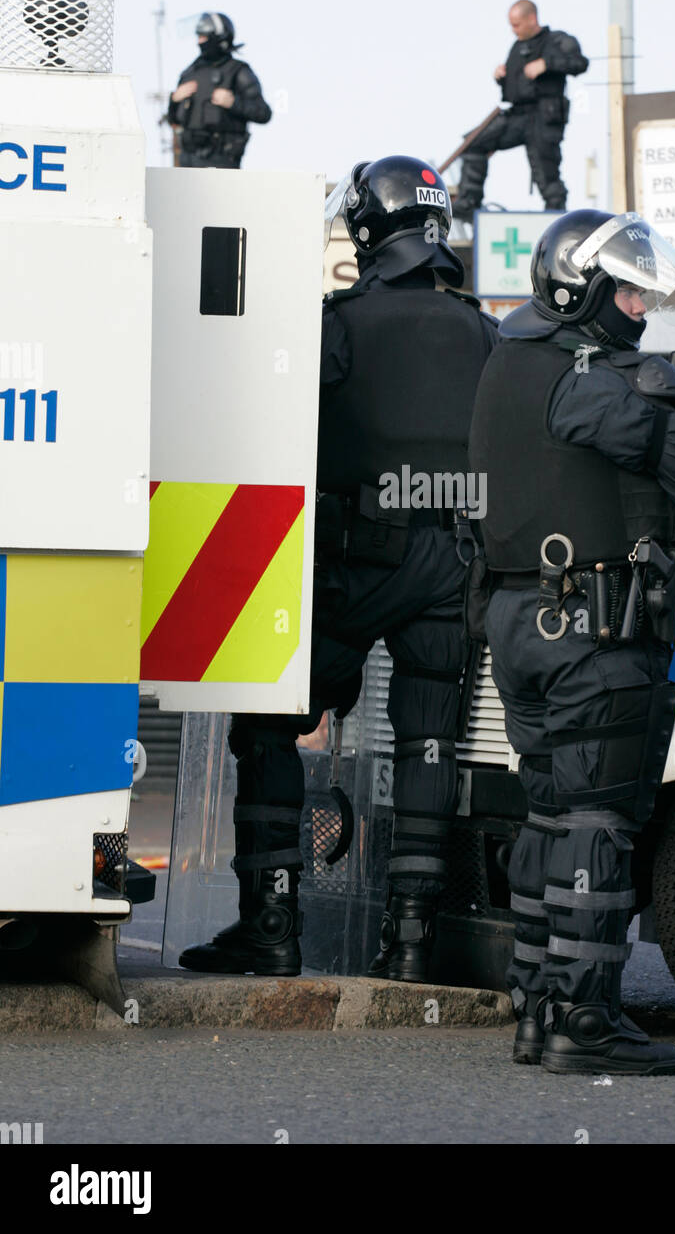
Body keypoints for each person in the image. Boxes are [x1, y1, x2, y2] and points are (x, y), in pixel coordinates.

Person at [179, 156, 499, 983]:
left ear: (367, 229)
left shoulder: (340, 322)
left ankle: (272, 926)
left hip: (357, 557)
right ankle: (412, 942)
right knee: (430, 742)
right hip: (454, 562)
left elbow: (277, 426)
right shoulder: (484, 328)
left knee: (268, 724)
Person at [468, 209, 675, 1075]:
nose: (639, 305)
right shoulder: (601, 381)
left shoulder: (508, 362)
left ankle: (538, 1007)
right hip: (594, 630)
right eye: (628, 289)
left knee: (550, 814)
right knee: (599, 820)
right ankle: (587, 1022)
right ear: (582, 287)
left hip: (521, 625)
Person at [452, 0, 588, 220]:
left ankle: (558, 221)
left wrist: (547, 64)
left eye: (516, 24)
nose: (513, 30)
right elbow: (516, 87)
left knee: (547, 175)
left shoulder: (557, 41)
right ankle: (468, 201)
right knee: (473, 143)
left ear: (531, 19)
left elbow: (580, 63)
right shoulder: (517, 45)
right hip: (516, 115)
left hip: (544, 118)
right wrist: (501, 77)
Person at [167, 12, 271, 168]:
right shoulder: (190, 73)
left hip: (223, 163)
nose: (199, 42)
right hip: (187, 164)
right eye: (198, 36)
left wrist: (233, 103)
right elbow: (173, 120)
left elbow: (263, 113)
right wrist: (174, 100)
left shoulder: (238, 71)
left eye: (204, 36)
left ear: (218, 38)